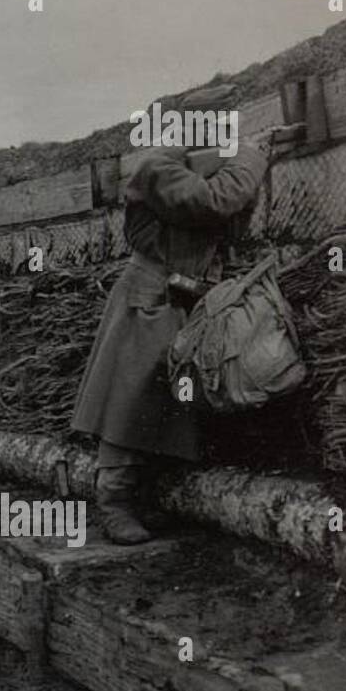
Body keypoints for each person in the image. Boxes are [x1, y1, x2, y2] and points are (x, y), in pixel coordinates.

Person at [71, 134, 272, 544]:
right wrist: (251, 157)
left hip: (186, 297)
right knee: (129, 405)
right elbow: (212, 201)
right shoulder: (157, 166)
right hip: (150, 296)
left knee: (171, 404)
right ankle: (114, 505)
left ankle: (144, 499)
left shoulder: (197, 166)